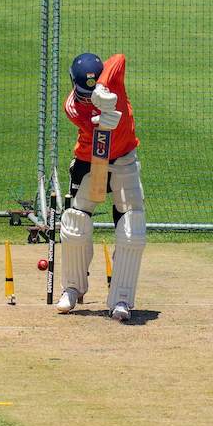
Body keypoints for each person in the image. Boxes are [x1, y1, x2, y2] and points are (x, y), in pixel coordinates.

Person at [58, 52, 146, 323]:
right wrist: (103, 119)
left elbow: (118, 58)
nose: (86, 97)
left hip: (124, 157)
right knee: (75, 222)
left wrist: (103, 89)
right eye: (82, 92)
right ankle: (72, 289)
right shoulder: (73, 107)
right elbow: (99, 137)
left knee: (132, 226)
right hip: (90, 157)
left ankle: (121, 298)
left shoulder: (111, 76)